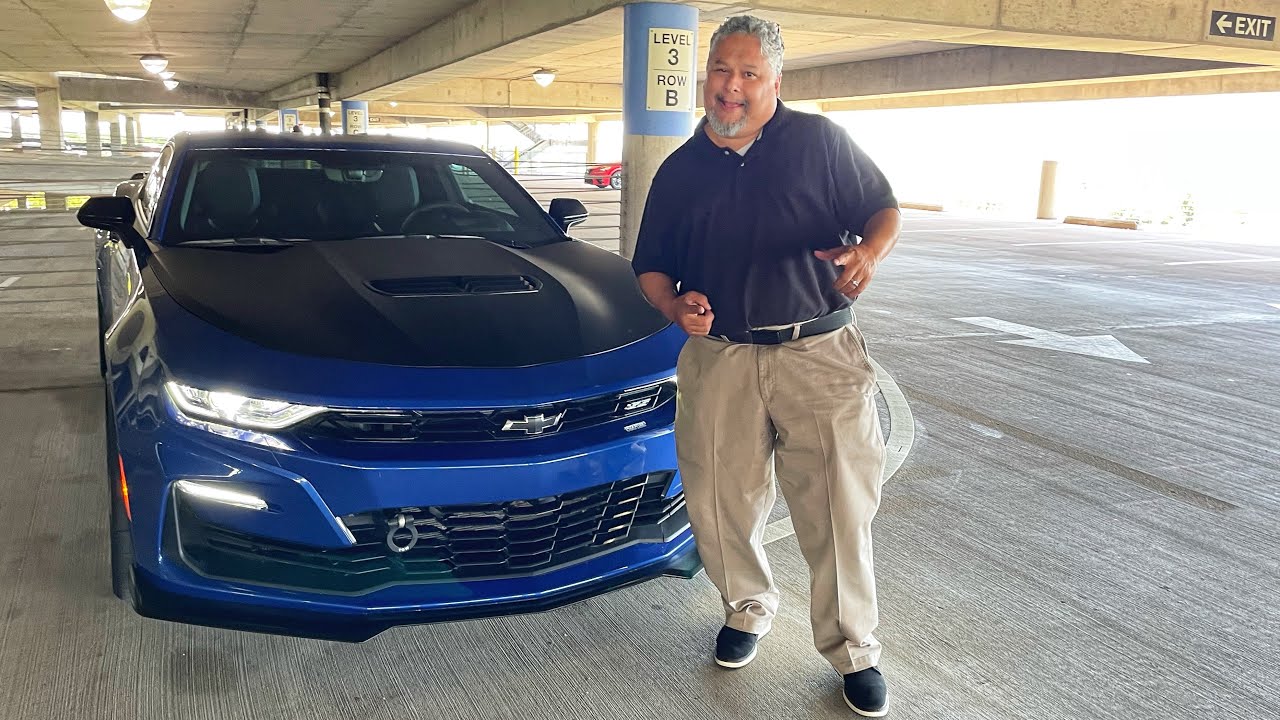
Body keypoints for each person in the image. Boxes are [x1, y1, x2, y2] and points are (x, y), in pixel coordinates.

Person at [631, 15, 901, 718]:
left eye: (750, 73)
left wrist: (867, 252)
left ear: (774, 80)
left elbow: (882, 209)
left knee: (839, 507)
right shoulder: (682, 168)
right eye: (723, 69)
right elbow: (651, 265)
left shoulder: (818, 143)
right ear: (707, 73)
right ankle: (746, 609)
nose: (733, 86)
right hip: (720, 360)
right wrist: (672, 307)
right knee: (720, 501)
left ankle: (852, 649)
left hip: (820, 355)